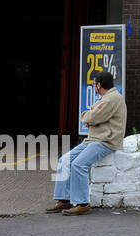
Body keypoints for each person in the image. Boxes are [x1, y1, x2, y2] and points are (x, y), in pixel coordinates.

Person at [47, 71, 126, 216]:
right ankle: (64, 200)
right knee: (64, 160)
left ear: (99, 85)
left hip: (105, 141)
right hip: (93, 140)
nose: (93, 86)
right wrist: (91, 117)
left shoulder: (111, 99)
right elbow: (95, 117)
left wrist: (86, 116)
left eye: (94, 84)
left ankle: (83, 203)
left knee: (78, 164)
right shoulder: (107, 98)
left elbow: (92, 116)